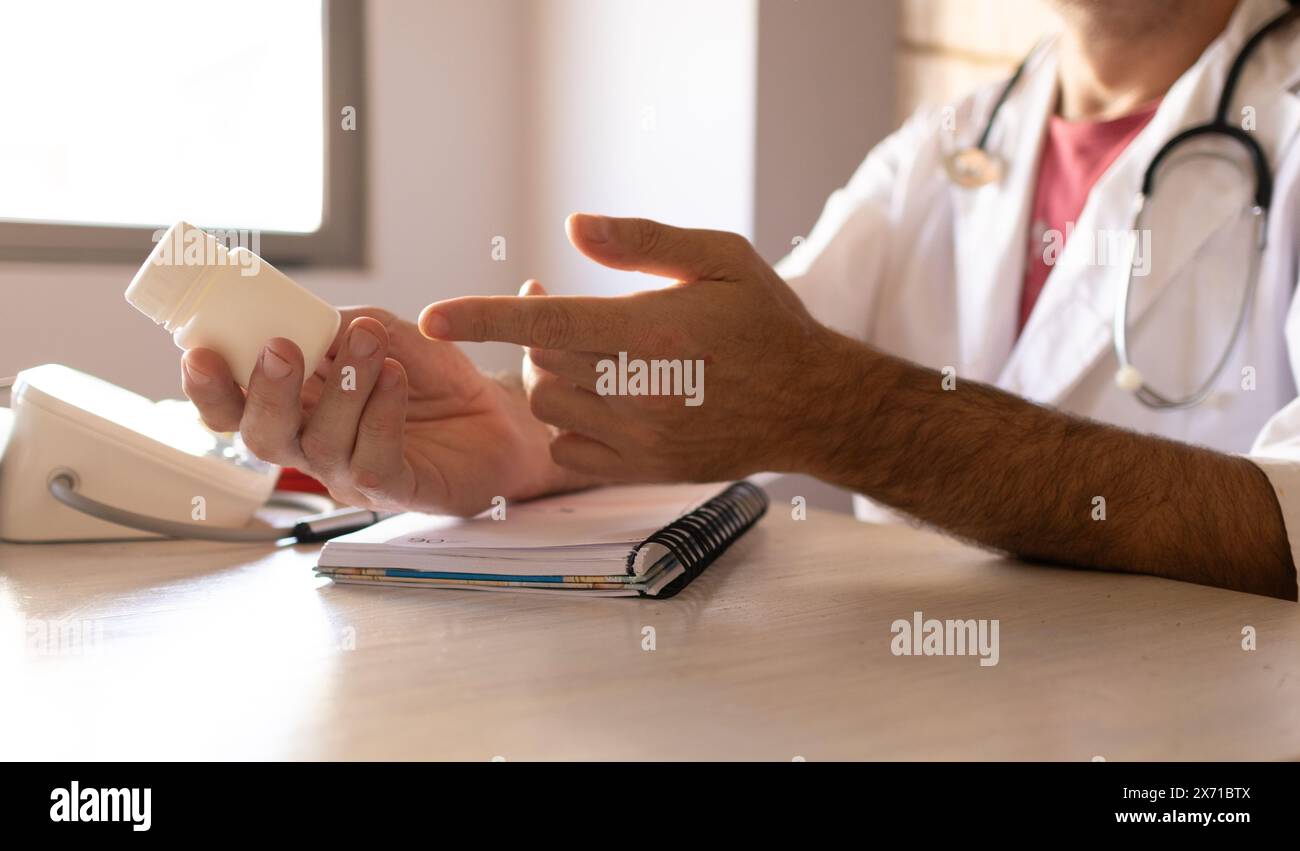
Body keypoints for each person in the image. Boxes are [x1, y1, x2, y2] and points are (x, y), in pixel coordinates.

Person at [180, 0, 1300, 599]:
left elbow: (1287, 527)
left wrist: (841, 414)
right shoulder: (954, 143)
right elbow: (735, 381)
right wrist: (502, 432)